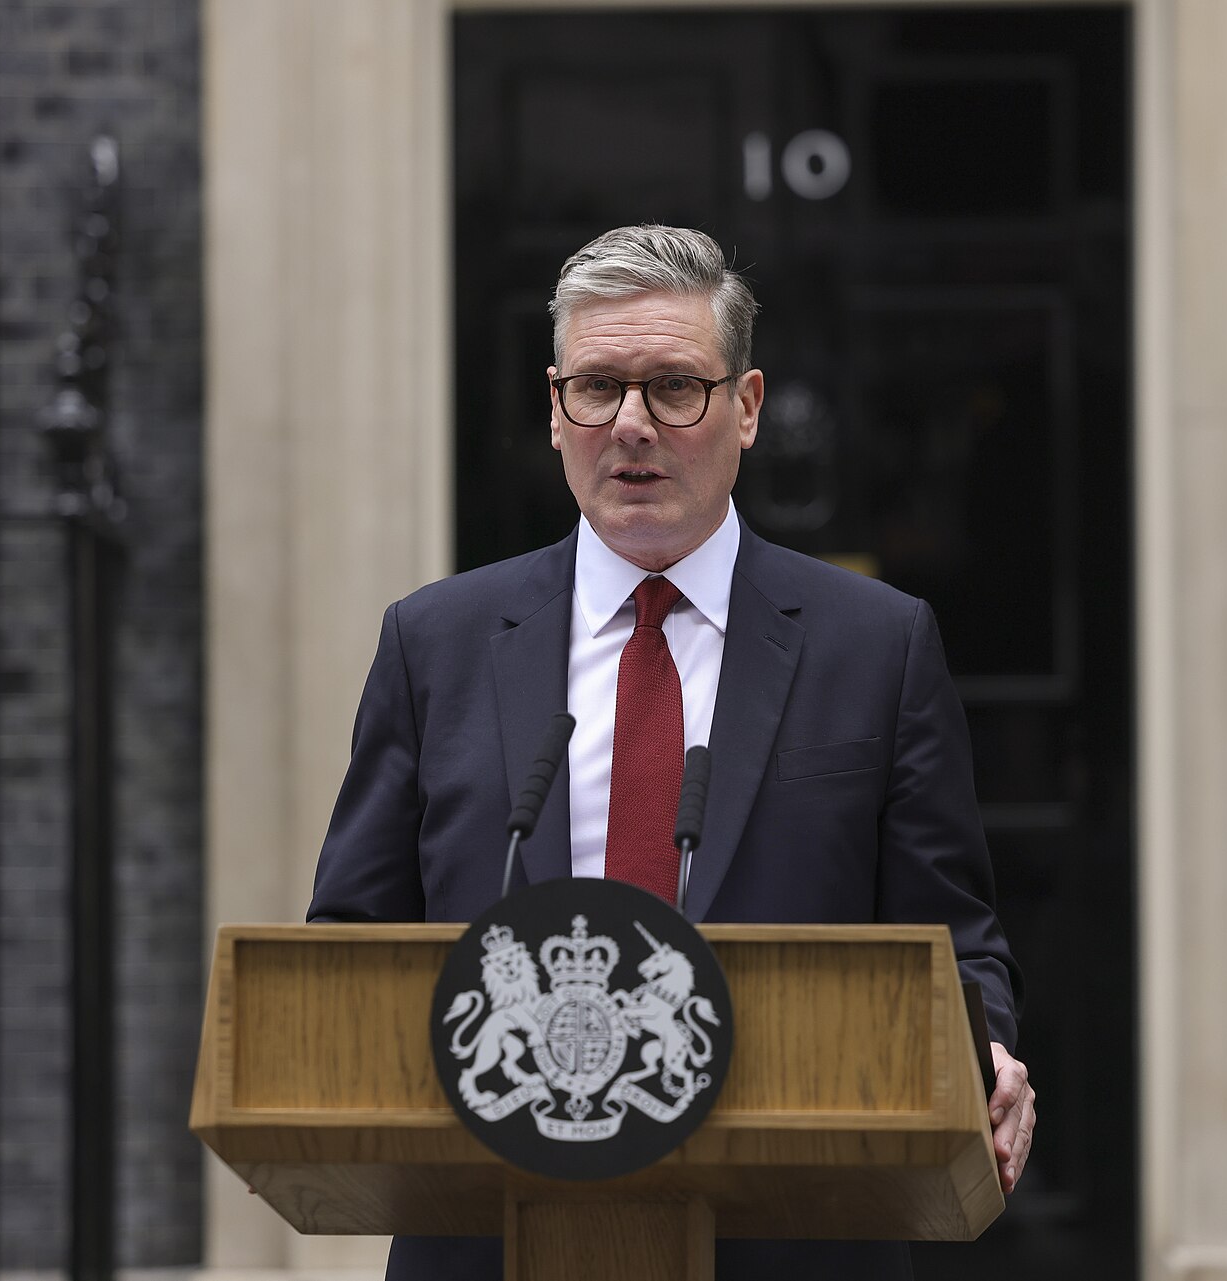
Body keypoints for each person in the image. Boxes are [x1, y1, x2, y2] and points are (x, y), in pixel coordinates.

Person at [308, 224, 1035, 1281]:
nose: (631, 426)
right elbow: (349, 950)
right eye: (596, 388)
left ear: (745, 408)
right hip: (495, 1228)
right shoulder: (438, 643)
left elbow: (955, 942)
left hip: (796, 1235)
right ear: (554, 409)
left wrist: (993, 1049)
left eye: (673, 389)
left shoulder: (875, 645)